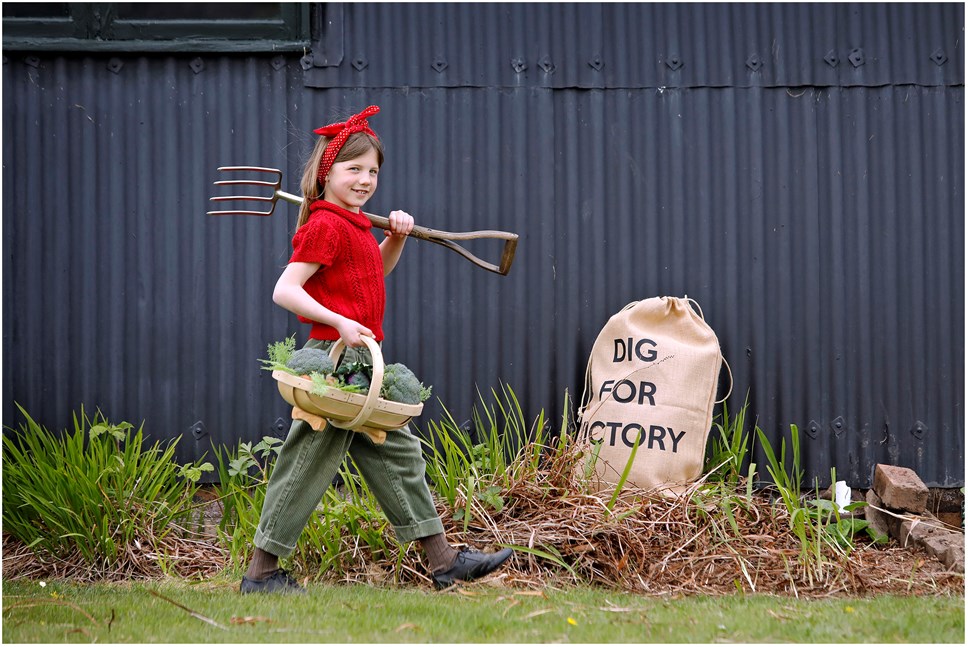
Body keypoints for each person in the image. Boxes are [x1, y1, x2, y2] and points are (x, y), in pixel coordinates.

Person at [240, 105, 513, 594]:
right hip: (333, 364)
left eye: (373, 171)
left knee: (400, 455)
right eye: (353, 169)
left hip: (365, 363)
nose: (365, 180)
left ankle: (445, 562)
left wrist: (396, 239)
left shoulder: (355, 225)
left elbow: (370, 276)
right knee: (305, 465)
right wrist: (339, 321)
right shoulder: (325, 225)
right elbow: (286, 289)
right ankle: (261, 573)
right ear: (327, 174)